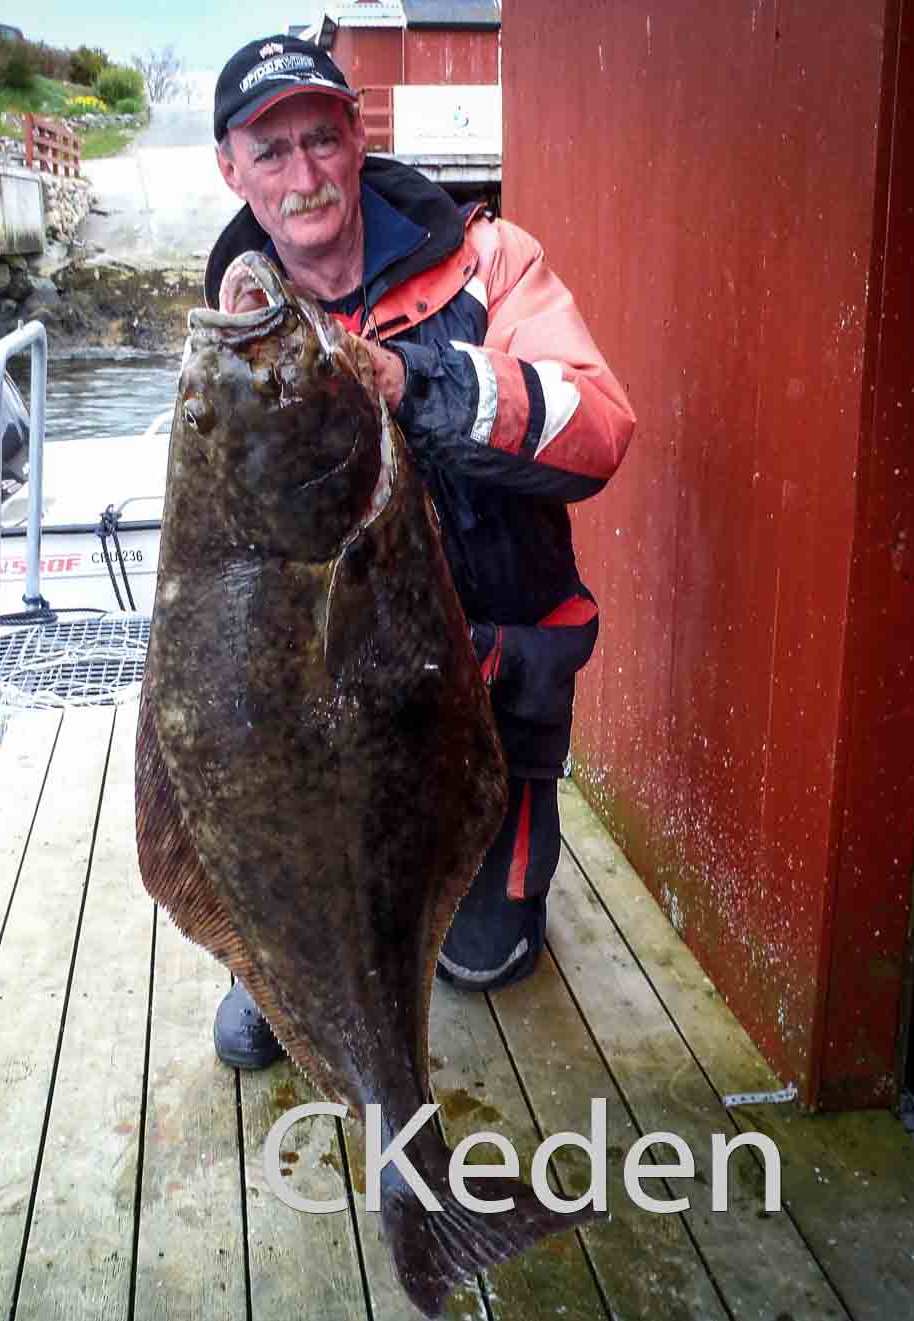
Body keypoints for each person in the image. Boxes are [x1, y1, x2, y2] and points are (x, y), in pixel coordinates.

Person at [206, 35, 635, 1069]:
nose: (304, 175)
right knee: (293, 837)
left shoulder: (491, 260)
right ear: (231, 170)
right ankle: (279, 948)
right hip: (327, 693)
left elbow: (599, 428)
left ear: (359, 135)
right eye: (271, 152)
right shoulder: (235, 324)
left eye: (321, 138)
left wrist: (417, 383)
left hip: (485, 679)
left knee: (482, 960)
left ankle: (473, 890)